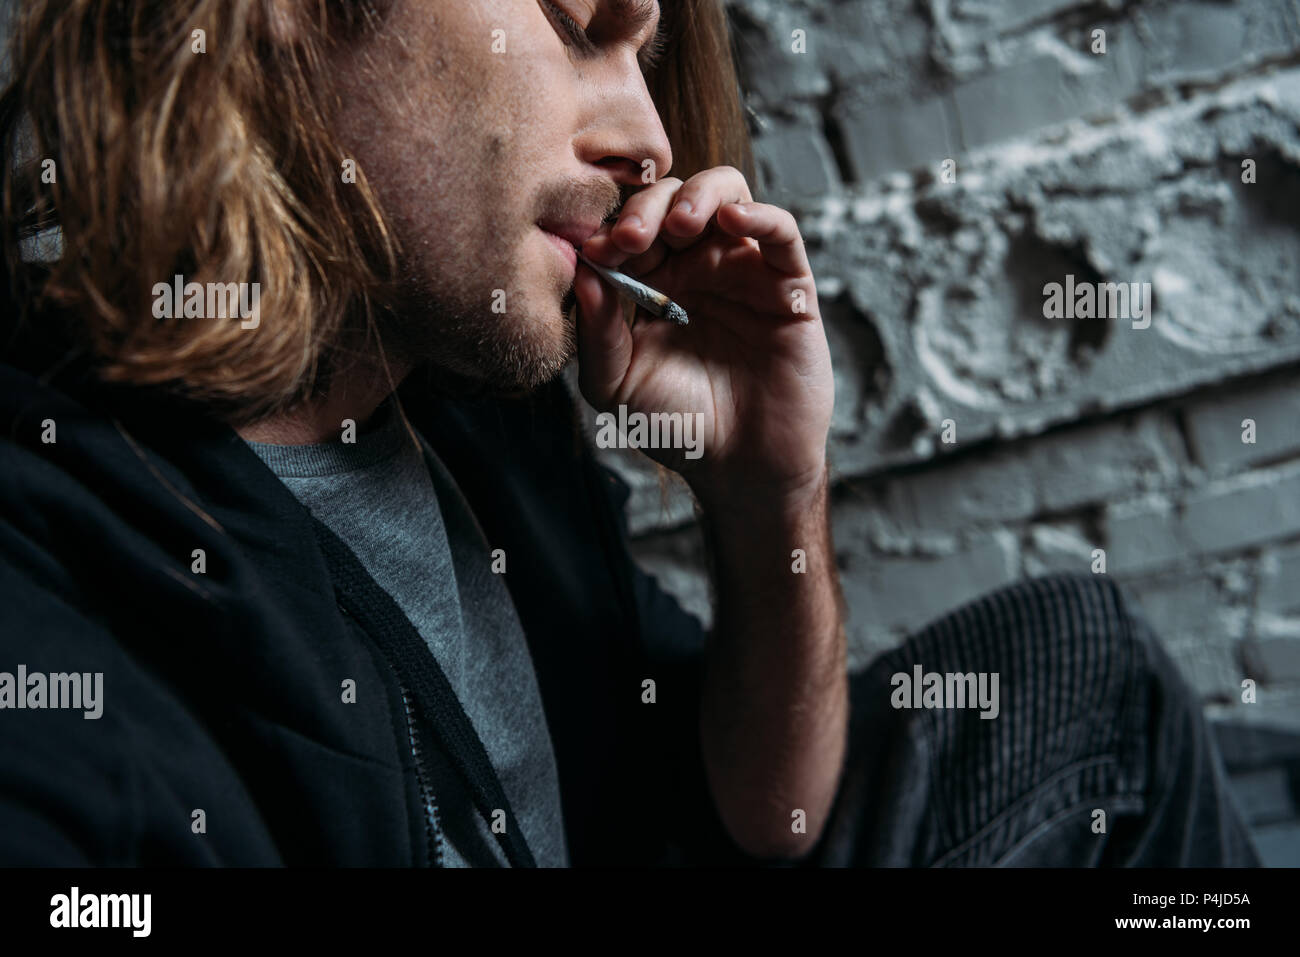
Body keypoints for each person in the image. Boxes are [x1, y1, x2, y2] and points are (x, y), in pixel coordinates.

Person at [0, 0, 1258, 867]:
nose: (649, 139)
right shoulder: (62, 601)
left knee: (1089, 675)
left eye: (644, 52)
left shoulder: (474, 411)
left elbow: (769, 821)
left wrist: (766, 494)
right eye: (573, 23)